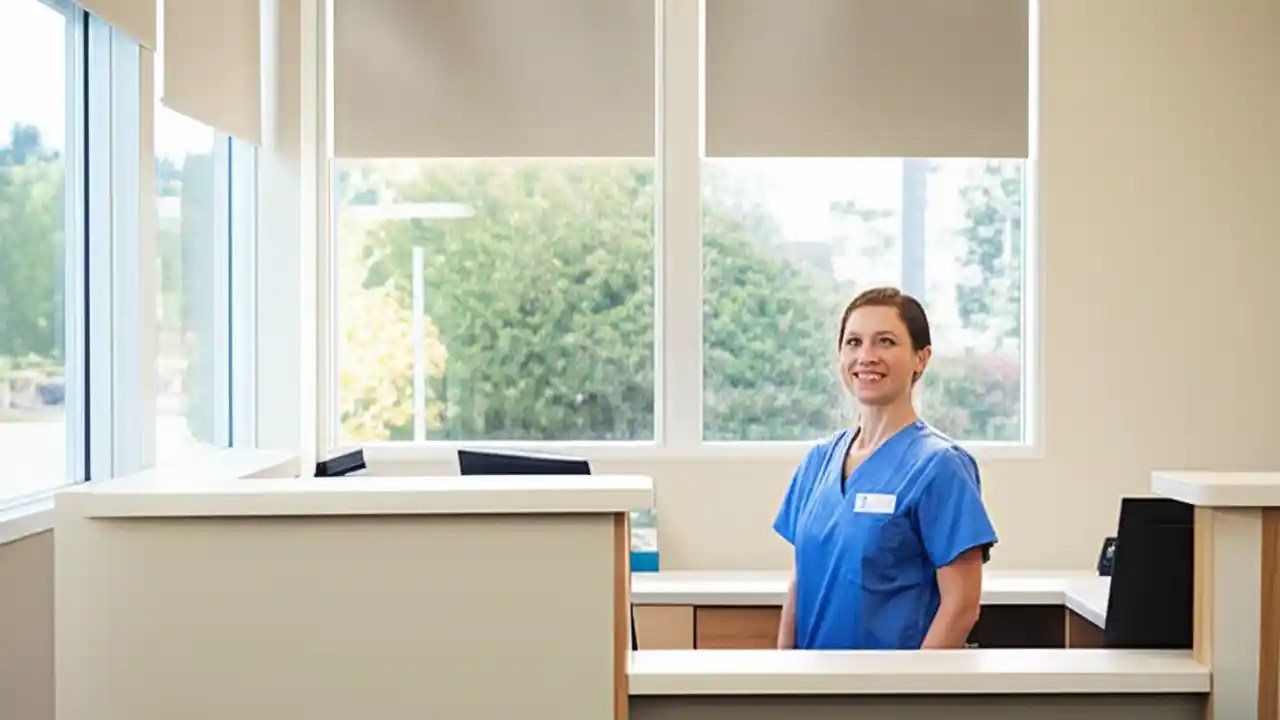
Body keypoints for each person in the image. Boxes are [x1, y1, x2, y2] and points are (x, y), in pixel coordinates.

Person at [774, 286, 998, 651]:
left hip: (891, 697)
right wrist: (782, 681)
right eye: (854, 342)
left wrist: (909, 698)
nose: (866, 356)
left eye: (886, 342)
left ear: (921, 358)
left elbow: (961, 608)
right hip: (812, 695)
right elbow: (800, 584)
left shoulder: (940, 467)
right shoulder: (818, 462)